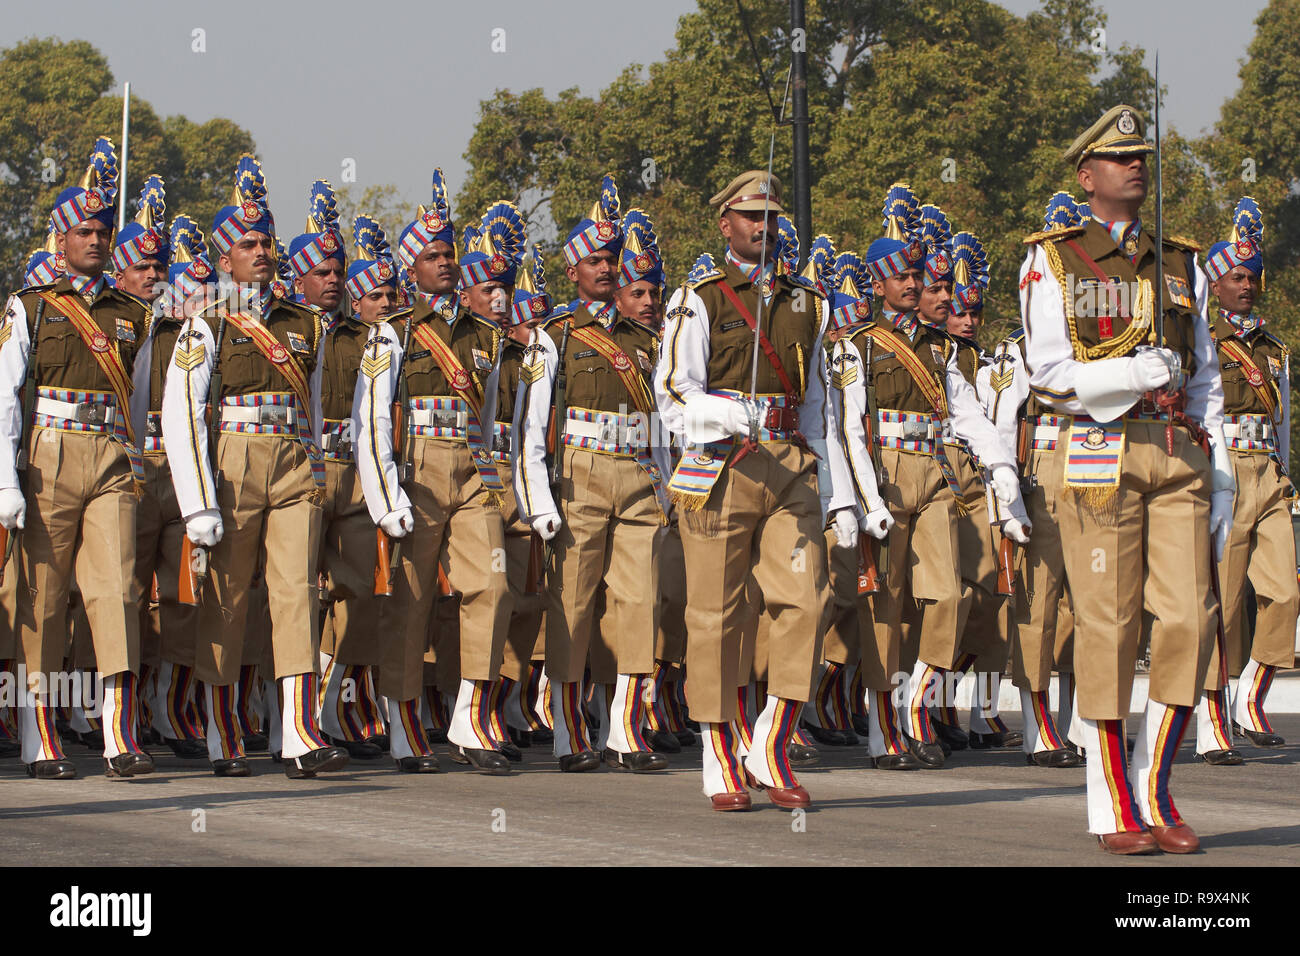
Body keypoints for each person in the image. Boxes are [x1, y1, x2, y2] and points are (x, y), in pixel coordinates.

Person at [1021, 105, 1230, 854]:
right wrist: (1123, 374)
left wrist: (1225, 468)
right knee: (1109, 625)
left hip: (1175, 453)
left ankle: (1157, 784)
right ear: (1087, 177)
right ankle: (1113, 801)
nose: (1135, 166)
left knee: (1191, 619)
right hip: (1098, 449)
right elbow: (1045, 371)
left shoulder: (1181, 261)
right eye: (1119, 158)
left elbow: (1205, 375)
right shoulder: (1055, 259)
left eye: (1142, 155)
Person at [655, 170, 855, 810]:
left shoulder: (807, 300)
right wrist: (720, 413)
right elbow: (672, 393)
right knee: (716, 612)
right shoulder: (700, 298)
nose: (764, 228)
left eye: (771, 216)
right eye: (751, 217)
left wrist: (840, 488)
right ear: (726, 225)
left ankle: (771, 736)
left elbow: (820, 401)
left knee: (806, 599)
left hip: (790, 464)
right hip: (721, 463)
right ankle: (718, 750)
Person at [162, 154, 348, 779]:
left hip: (294, 465)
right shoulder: (204, 325)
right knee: (229, 598)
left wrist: (317, 470)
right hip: (233, 464)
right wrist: (199, 504)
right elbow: (182, 416)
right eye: (249, 243)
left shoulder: (306, 325)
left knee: (297, 592)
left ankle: (296, 730)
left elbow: (316, 404)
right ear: (225, 258)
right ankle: (222, 732)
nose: (262, 251)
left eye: (267, 239)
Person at [857, 184, 1028, 771]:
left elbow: (966, 414)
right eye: (900, 277)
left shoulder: (940, 348)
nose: (911, 284)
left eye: (916, 275)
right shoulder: (857, 346)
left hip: (932, 474)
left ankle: (915, 709)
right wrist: (857, 495)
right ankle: (885, 729)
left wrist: (1001, 466)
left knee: (950, 596)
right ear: (878, 284)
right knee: (888, 604)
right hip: (881, 474)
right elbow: (847, 426)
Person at [0, 136, 155, 779]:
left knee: (117, 590)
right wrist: (5, 481)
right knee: (43, 594)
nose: (94, 240)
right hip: (48, 455)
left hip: (111, 458)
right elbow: (6, 399)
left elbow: (141, 400)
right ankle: (40, 735)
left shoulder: (132, 314)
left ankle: (119, 734)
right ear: (60, 240)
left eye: (101, 231)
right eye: (83, 231)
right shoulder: (28, 308)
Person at [356, 198, 519, 774]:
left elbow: (499, 412)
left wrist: (504, 480)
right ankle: (401, 719)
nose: (445, 263)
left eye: (449, 253)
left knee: (493, 588)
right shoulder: (392, 333)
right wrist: (384, 497)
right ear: (411, 268)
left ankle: (470, 713)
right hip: (416, 466)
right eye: (432, 255)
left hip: (475, 467)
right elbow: (372, 418)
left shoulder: (487, 335)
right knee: (411, 598)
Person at [514, 185, 671, 773]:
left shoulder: (647, 339)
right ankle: (569, 730)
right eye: (595, 260)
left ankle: (627, 730)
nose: (606, 268)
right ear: (573, 268)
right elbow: (530, 426)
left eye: (611, 260)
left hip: (638, 471)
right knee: (572, 603)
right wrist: (535, 496)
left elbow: (666, 421)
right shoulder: (554, 336)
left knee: (639, 602)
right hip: (577, 476)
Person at [980, 193, 1088, 768]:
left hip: (1098, 468)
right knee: (1040, 602)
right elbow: (1000, 430)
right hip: (1042, 473)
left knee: (1092, 603)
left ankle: (1083, 722)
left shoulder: (1106, 345)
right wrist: (1007, 500)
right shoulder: (1014, 353)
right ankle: (1039, 725)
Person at [1194, 198, 1296, 761]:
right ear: (1217, 282)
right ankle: (1212, 719)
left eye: (1253, 276)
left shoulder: (1273, 350)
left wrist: (1286, 474)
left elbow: (1280, 422)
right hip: (1224, 475)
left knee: (1285, 594)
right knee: (1225, 602)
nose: (1248, 285)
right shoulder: (1204, 341)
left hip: (1269, 478)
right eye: (1237, 276)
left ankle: (1250, 697)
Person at [117, 184, 211, 760]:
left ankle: (173, 708)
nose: (152, 275)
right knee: (124, 593)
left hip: (176, 472)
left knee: (182, 596)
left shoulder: (187, 332)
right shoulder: (110, 328)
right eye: (140, 266)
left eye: (159, 265)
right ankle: (120, 716)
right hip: (125, 468)